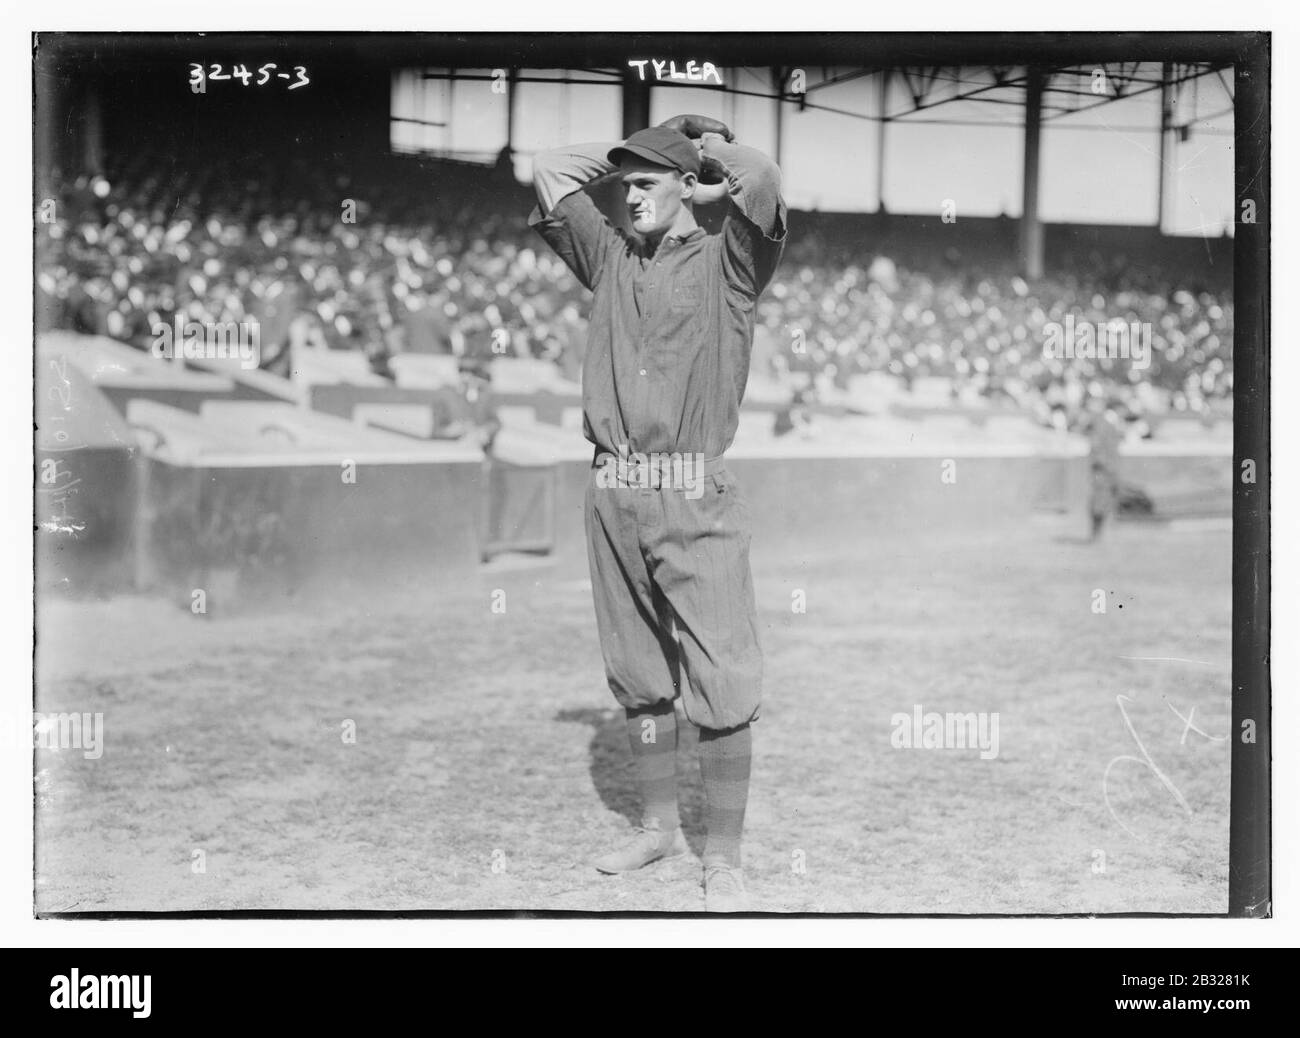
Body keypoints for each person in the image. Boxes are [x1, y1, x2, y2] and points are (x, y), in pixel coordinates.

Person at [529, 114, 786, 911]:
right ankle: (656, 828)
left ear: (686, 187)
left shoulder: (730, 260)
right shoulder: (607, 254)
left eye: (646, 183)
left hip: (691, 488)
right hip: (613, 489)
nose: (629, 196)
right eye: (624, 185)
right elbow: (547, 170)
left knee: (721, 674)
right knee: (638, 674)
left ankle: (726, 858)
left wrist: (701, 154)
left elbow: (763, 178)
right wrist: (641, 144)